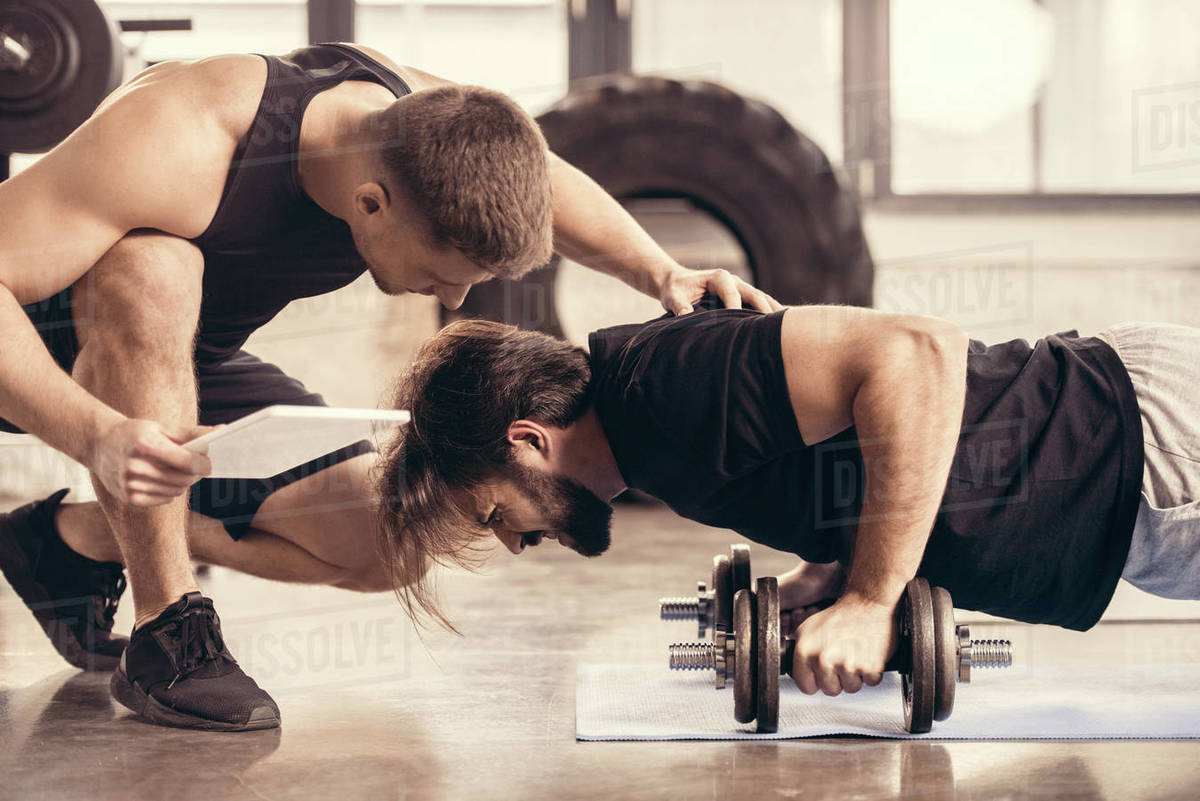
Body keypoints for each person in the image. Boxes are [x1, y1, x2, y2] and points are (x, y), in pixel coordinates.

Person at [0, 44, 780, 731]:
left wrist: (661, 272)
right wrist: (95, 433)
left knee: (388, 540)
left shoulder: (417, 121)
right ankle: (168, 630)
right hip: (37, 351)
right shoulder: (185, 135)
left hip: (184, 358)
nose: (455, 297)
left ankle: (67, 543)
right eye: (442, 273)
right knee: (157, 266)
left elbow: (540, 171)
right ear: (371, 204)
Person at [381, 295, 1200, 698]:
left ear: (528, 439)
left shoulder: (660, 389)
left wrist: (873, 600)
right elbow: (827, 441)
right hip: (1122, 471)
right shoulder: (646, 431)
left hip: (1143, 446)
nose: (516, 541)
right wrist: (837, 567)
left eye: (496, 514)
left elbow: (915, 353)